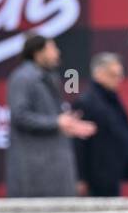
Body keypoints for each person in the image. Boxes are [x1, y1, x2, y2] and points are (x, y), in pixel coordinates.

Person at [6, 33, 95, 198]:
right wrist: (57, 122)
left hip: (52, 168)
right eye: (52, 48)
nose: (57, 53)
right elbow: (19, 116)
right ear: (38, 52)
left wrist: (68, 124)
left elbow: (53, 119)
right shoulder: (22, 78)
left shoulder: (48, 77)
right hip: (34, 171)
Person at [73, 52, 128, 197]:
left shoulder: (112, 99)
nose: (119, 80)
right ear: (99, 74)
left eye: (120, 75)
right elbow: (79, 145)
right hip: (96, 179)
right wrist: (81, 178)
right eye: (113, 75)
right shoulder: (87, 102)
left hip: (112, 175)